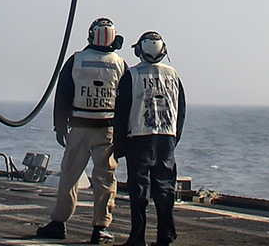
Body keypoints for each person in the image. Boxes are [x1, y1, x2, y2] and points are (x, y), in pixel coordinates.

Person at [36, 18, 129, 242]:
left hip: (78, 127)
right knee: (105, 180)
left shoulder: (77, 60)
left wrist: (59, 126)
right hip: (107, 130)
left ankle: (59, 222)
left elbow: (63, 94)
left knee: (69, 176)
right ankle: (101, 228)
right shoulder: (119, 63)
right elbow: (126, 102)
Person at [113, 32, 185, 246]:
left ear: (139, 51)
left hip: (139, 137)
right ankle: (166, 235)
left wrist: (119, 146)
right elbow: (180, 111)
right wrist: (174, 138)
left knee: (139, 190)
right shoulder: (173, 75)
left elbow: (121, 112)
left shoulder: (131, 75)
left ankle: (137, 237)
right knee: (165, 189)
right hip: (166, 138)